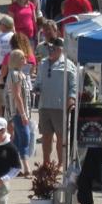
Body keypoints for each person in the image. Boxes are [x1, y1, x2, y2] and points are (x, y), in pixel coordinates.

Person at [34, 38, 76, 167]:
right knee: (46, 136)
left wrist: (71, 99)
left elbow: (73, 86)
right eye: (49, 49)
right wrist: (36, 88)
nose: (50, 51)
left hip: (60, 107)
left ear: (61, 50)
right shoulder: (43, 64)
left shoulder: (68, 65)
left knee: (61, 137)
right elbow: (38, 81)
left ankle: (61, 164)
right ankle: (46, 163)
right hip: (44, 106)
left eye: (54, 49)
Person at [4, 50, 33, 176]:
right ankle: (25, 167)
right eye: (22, 57)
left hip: (20, 111)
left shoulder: (20, 74)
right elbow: (17, 96)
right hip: (18, 112)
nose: (25, 59)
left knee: (17, 139)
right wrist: (23, 114)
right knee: (25, 137)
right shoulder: (15, 74)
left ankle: (11, 165)